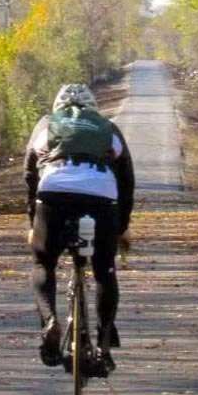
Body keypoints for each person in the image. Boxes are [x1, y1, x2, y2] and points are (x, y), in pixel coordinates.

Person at [24, 83, 134, 372]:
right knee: (104, 270)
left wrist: (34, 223)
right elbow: (126, 180)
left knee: (43, 263)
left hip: (53, 193)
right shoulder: (108, 128)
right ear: (94, 108)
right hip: (101, 198)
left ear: (57, 107)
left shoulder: (46, 125)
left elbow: (30, 176)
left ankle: (50, 320)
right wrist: (121, 227)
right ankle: (104, 343)